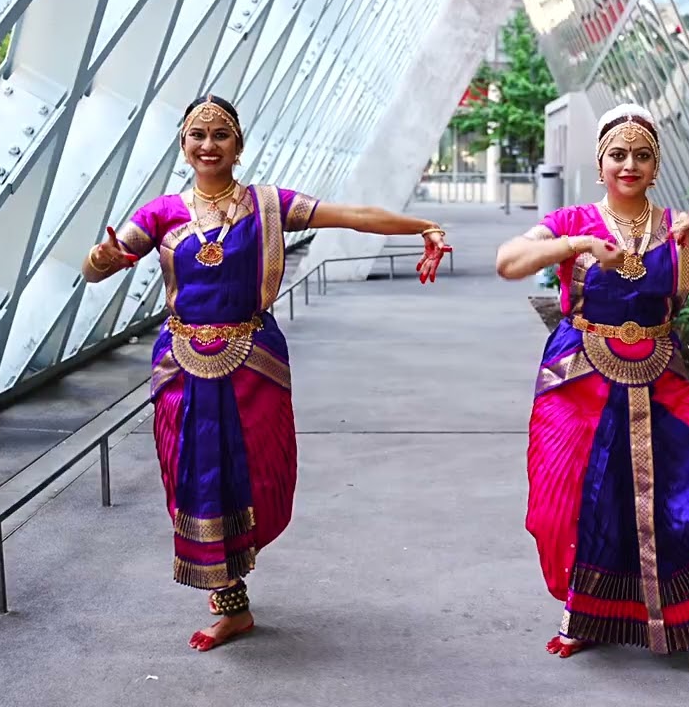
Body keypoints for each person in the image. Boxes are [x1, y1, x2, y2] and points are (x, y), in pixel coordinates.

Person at [82, 94, 451, 652]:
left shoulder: (268, 206)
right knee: (194, 479)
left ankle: (235, 589)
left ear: (239, 144)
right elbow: (95, 269)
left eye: (220, 134)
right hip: (181, 365)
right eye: (197, 135)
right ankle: (231, 603)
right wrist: (102, 260)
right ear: (183, 145)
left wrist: (422, 224)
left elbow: (350, 215)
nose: (208, 145)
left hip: (252, 360)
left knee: (254, 475)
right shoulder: (160, 212)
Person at [494, 103, 689, 658]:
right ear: (601, 163)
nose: (630, 165)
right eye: (618, 155)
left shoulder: (681, 232)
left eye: (642, 156)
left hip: (658, 379)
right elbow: (509, 261)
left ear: (655, 165)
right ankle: (583, 612)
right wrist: (577, 247)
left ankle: (667, 607)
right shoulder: (573, 222)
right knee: (569, 504)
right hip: (576, 376)